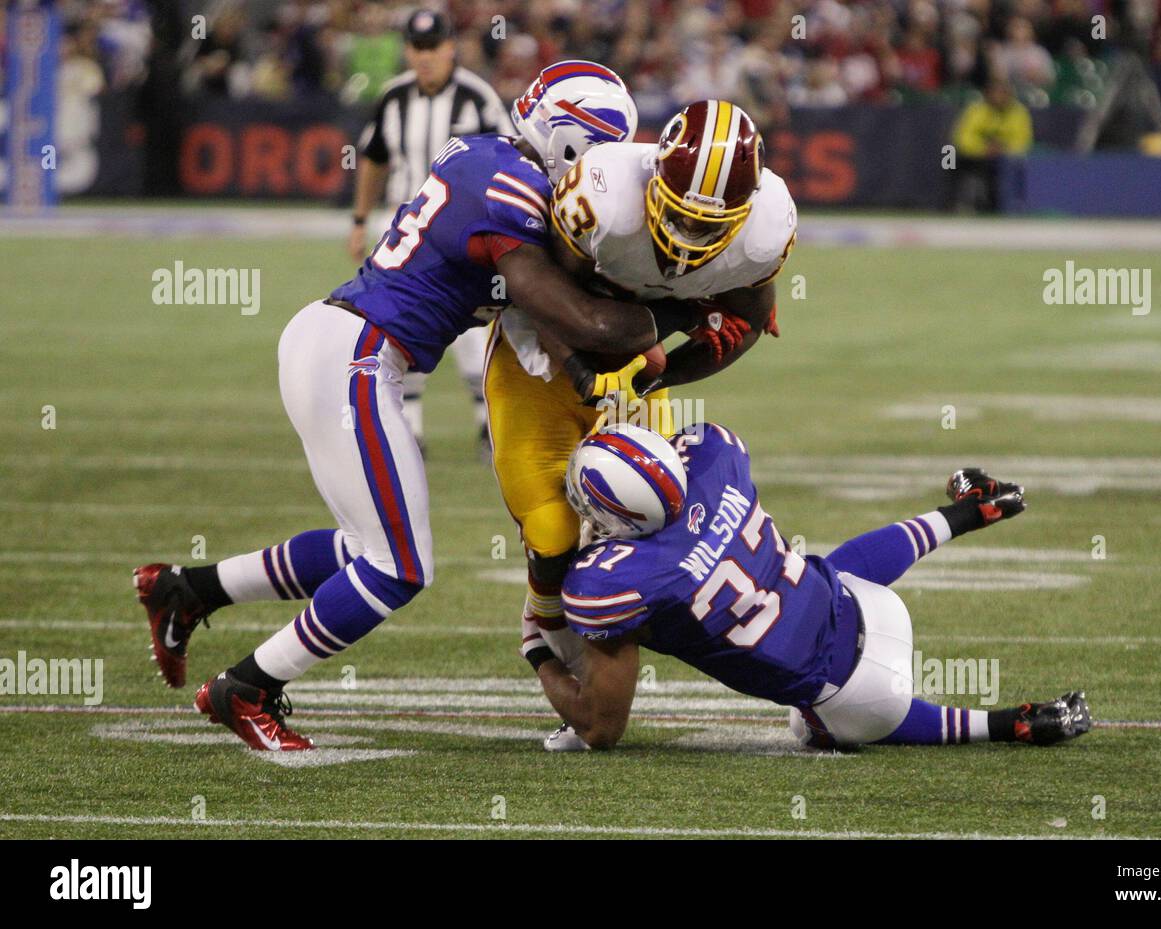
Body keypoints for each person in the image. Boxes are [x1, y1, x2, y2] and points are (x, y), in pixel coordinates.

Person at [133, 62, 653, 752]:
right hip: (358, 354)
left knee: (364, 550)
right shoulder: (514, 191)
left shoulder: (488, 159)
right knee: (398, 567)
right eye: (603, 153)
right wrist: (663, 316)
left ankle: (186, 588)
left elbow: (551, 331)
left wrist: (600, 373)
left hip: (342, 344)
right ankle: (247, 685)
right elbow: (574, 317)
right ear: (567, 142)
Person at [485, 99, 795, 746]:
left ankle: (596, 693)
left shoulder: (767, 228)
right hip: (540, 356)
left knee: (635, 533)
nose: (685, 235)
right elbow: (542, 295)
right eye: (677, 212)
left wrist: (662, 376)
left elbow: (742, 325)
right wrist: (580, 372)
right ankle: (541, 624)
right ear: (655, 176)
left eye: (706, 225)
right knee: (551, 530)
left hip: (634, 364)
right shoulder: (604, 195)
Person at [524, 423, 1091, 752]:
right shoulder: (716, 454)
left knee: (810, 723)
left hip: (858, 700)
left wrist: (539, 654)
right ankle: (967, 512)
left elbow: (602, 728)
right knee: (828, 570)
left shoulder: (611, 582)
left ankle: (1010, 723)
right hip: (873, 604)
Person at [348, 10, 513, 457]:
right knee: (399, 321)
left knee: (473, 323)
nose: (425, 56)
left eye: (433, 46)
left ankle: (487, 424)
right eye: (417, 47)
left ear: (450, 47)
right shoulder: (393, 96)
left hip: (463, 231)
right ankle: (410, 428)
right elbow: (373, 157)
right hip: (404, 223)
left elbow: (511, 159)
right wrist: (360, 219)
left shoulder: (478, 97)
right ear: (407, 50)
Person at [951, 79, 1032, 212]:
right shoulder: (976, 110)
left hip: (1007, 160)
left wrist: (1003, 149)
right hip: (977, 156)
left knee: (1008, 165)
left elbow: (1023, 140)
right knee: (948, 156)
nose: (999, 97)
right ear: (988, 94)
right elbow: (962, 138)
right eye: (996, 93)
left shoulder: (1019, 112)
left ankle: (1002, 206)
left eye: (1003, 93)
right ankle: (955, 203)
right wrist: (984, 149)